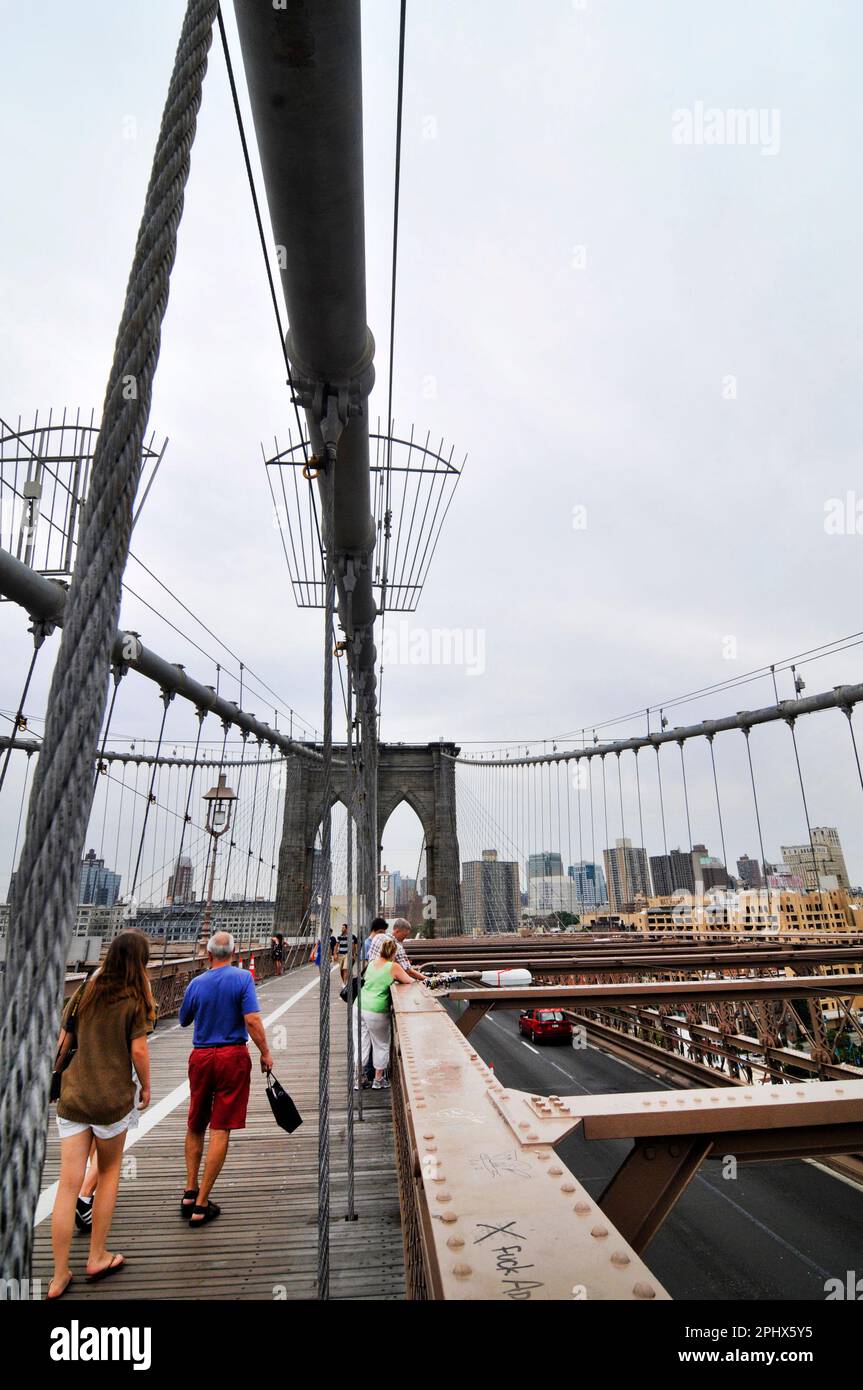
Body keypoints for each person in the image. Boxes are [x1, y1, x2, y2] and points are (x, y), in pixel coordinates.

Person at [48, 929, 154, 1299]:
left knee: (67, 1185)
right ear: (139, 962)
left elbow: (65, 1037)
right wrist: (148, 1087)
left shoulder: (85, 991)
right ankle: (96, 1256)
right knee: (108, 1174)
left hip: (74, 1097)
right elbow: (139, 1052)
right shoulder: (134, 998)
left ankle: (59, 1274)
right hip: (111, 1102)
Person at [179, 931, 273, 1227]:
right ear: (234, 954)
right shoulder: (243, 978)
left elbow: (184, 1019)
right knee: (220, 1128)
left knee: (196, 1123)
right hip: (232, 1056)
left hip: (202, 1057)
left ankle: (189, 1190)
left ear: (208, 955)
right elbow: (252, 1020)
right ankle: (202, 1204)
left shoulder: (196, 983)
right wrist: (265, 1052)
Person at [353, 937, 413, 1090]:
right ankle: (378, 1080)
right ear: (394, 953)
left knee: (361, 1043)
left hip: (359, 1006)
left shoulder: (372, 963)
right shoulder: (393, 966)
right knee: (380, 1044)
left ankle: (359, 1078)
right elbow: (409, 981)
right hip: (376, 1010)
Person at [366, 917, 426, 982]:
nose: (404, 939)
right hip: (382, 983)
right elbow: (408, 971)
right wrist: (427, 979)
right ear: (397, 931)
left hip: (369, 980)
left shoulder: (377, 937)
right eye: (404, 936)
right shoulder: (397, 947)